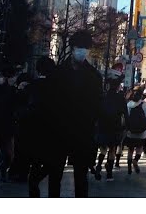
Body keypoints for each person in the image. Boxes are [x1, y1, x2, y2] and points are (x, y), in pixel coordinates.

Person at [46, 30, 103, 197]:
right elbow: (50, 103)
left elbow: (97, 105)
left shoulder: (94, 76)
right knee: (55, 175)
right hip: (59, 131)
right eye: (80, 47)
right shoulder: (57, 74)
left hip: (83, 132)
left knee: (81, 177)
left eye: (85, 47)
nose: (82, 51)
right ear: (72, 48)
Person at [23, 56, 63, 197]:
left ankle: (34, 189)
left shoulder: (31, 87)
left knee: (34, 169)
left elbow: (24, 111)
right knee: (54, 175)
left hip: (35, 136)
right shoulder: (60, 88)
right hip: (55, 136)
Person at [94, 75, 127, 182]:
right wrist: (126, 126)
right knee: (112, 149)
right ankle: (109, 173)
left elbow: (97, 112)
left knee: (103, 148)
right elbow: (125, 114)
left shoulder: (102, 97)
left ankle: (99, 165)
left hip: (103, 126)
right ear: (118, 87)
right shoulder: (120, 98)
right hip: (115, 126)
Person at [123, 88, 146, 175]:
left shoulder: (129, 105)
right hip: (141, 132)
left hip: (130, 132)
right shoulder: (144, 105)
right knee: (139, 148)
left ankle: (129, 168)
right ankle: (135, 161)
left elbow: (125, 118)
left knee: (130, 149)